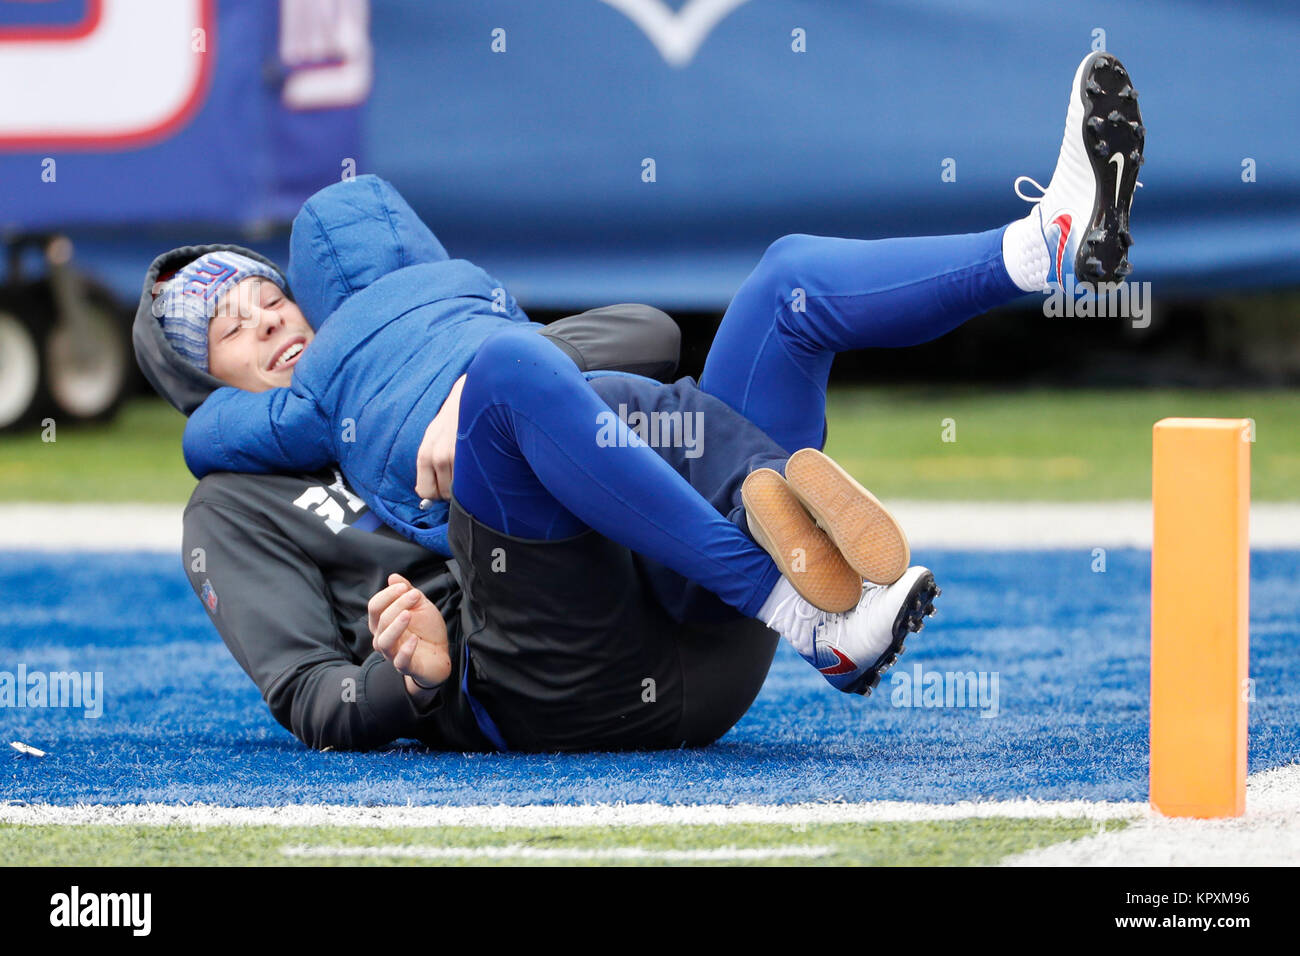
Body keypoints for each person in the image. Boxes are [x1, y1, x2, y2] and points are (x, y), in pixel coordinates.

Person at [138, 50, 1142, 752]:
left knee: (786, 284)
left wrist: (467, 394)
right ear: (202, 385)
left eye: (272, 297)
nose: (268, 320)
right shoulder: (230, 499)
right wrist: (408, 676)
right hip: (546, 687)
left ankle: (1044, 246)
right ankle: (803, 600)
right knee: (512, 385)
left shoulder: (414, 359)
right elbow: (309, 694)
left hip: (690, 632)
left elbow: (646, 331)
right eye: (233, 328)